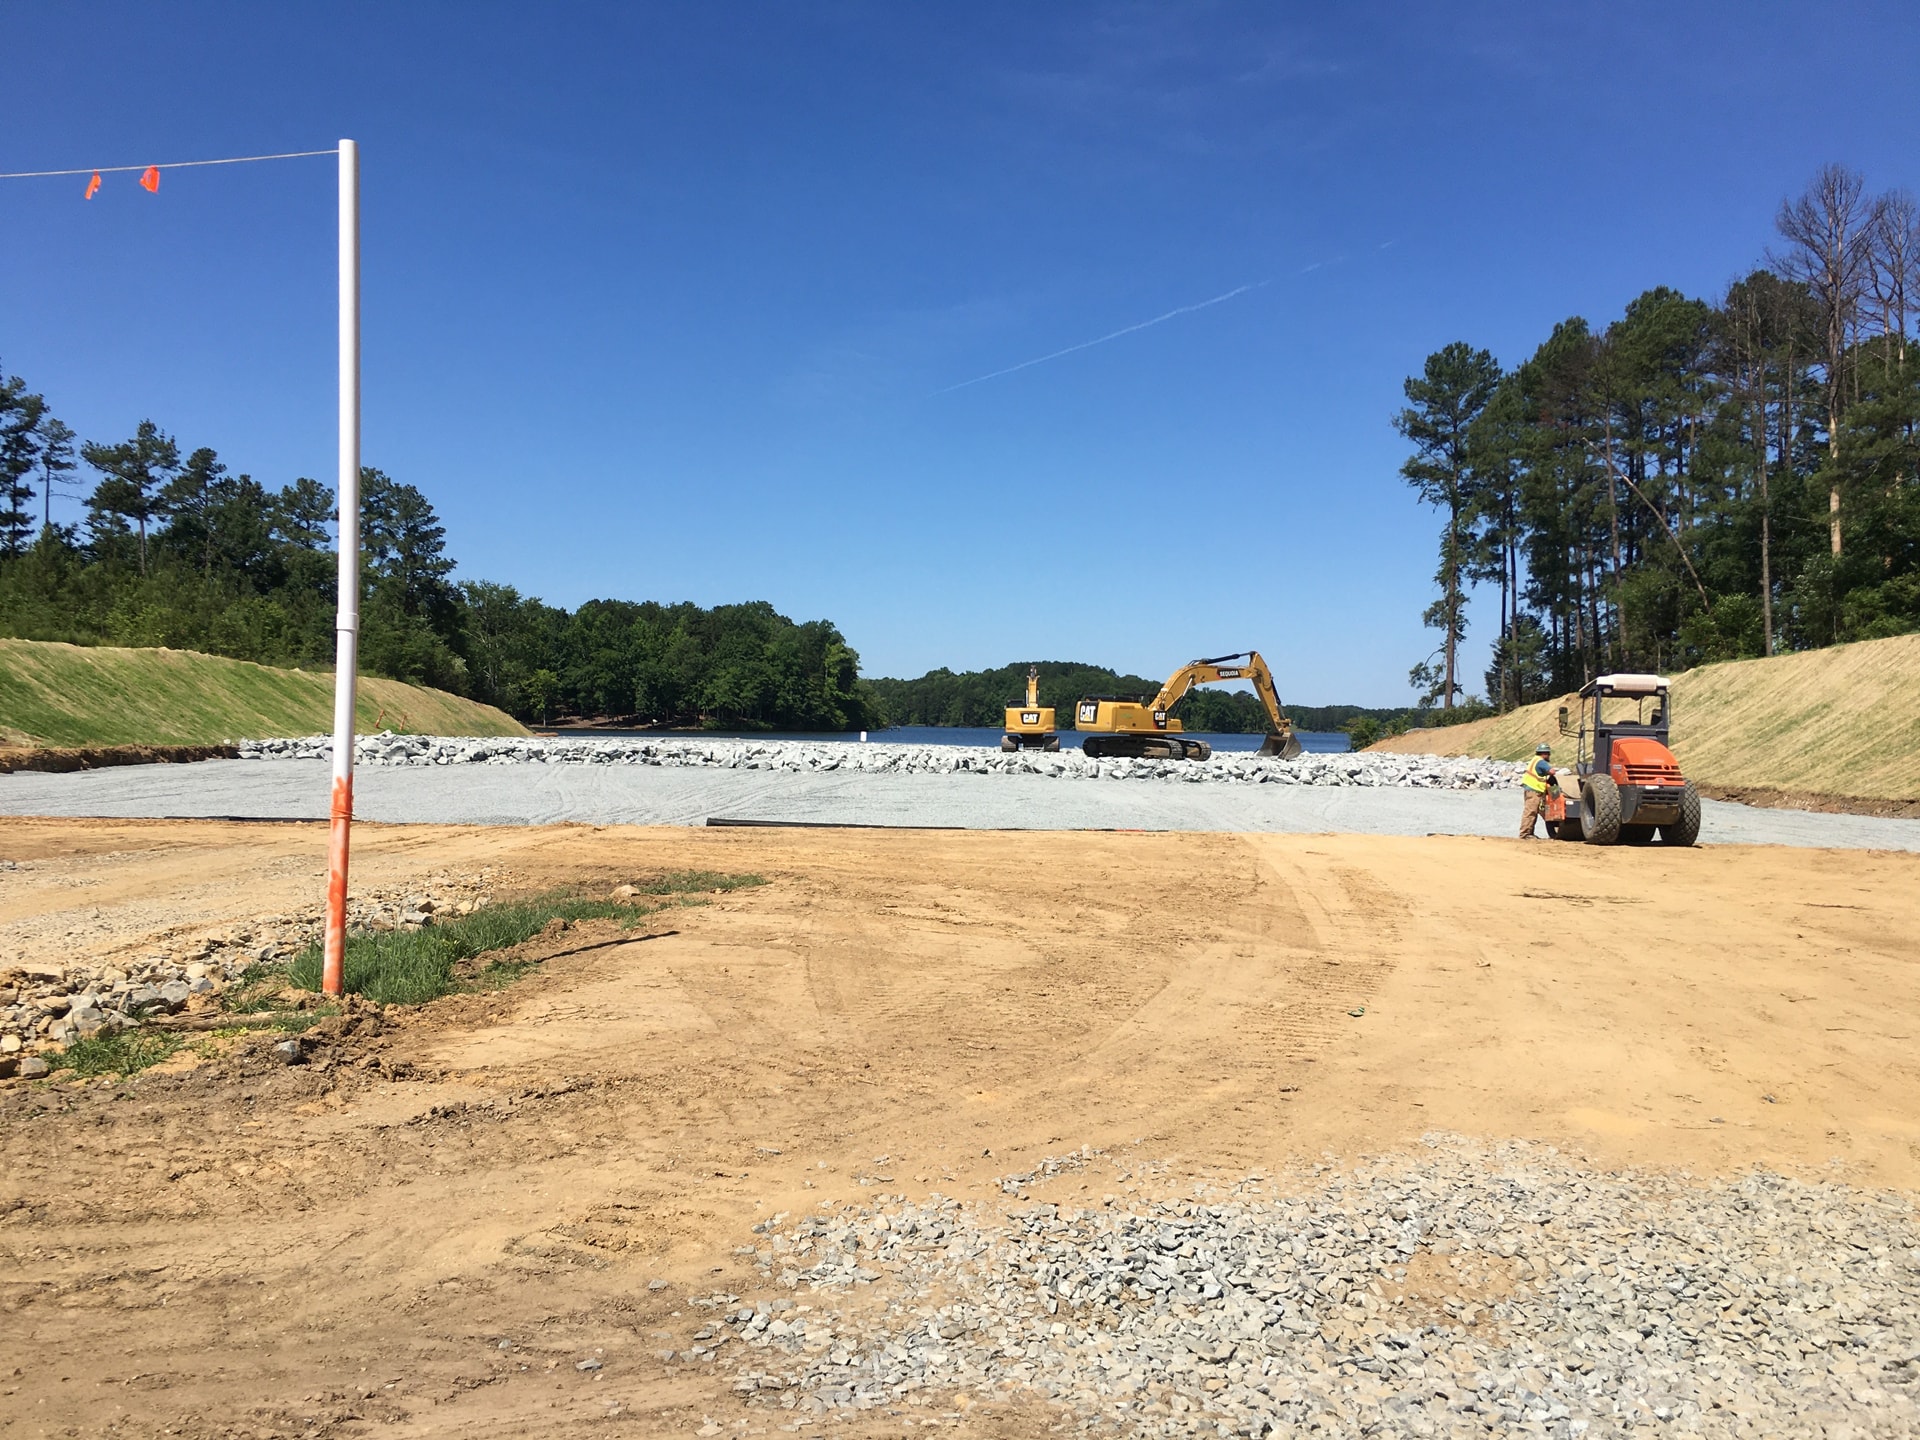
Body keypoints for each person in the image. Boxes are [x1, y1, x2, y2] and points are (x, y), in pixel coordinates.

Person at [1519, 743, 1559, 839]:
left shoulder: (1534, 760)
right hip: (1534, 790)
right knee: (1530, 812)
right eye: (1548, 754)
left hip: (1532, 790)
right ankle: (1525, 834)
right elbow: (1552, 772)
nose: (1549, 756)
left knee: (1537, 811)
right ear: (1544, 754)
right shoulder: (1541, 761)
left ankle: (1530, 833)